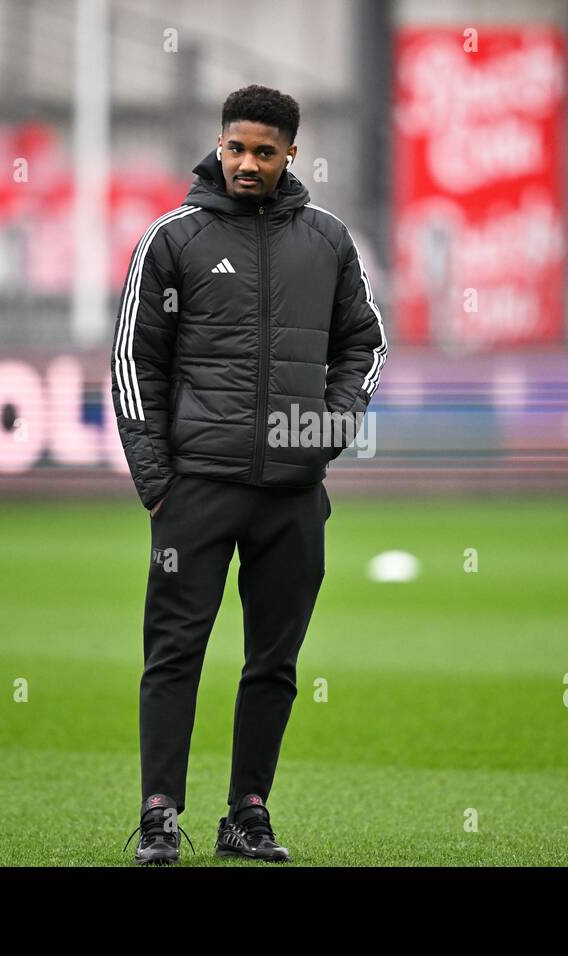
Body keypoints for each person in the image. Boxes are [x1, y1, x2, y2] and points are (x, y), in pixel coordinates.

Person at [112, 85, 388, 864]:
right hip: (194, 491)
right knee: (174, 654)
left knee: (274, 662)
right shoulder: (174, 238)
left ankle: (248, 815)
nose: (247, 163)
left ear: (291, 154)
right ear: (220, 144)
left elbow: (365, 346)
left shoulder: (329, 240)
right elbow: (135, 359)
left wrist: (326, 431)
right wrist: (156, 480)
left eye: (265, 151)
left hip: (293, 498)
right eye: (236, 147)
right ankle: (161, 814)